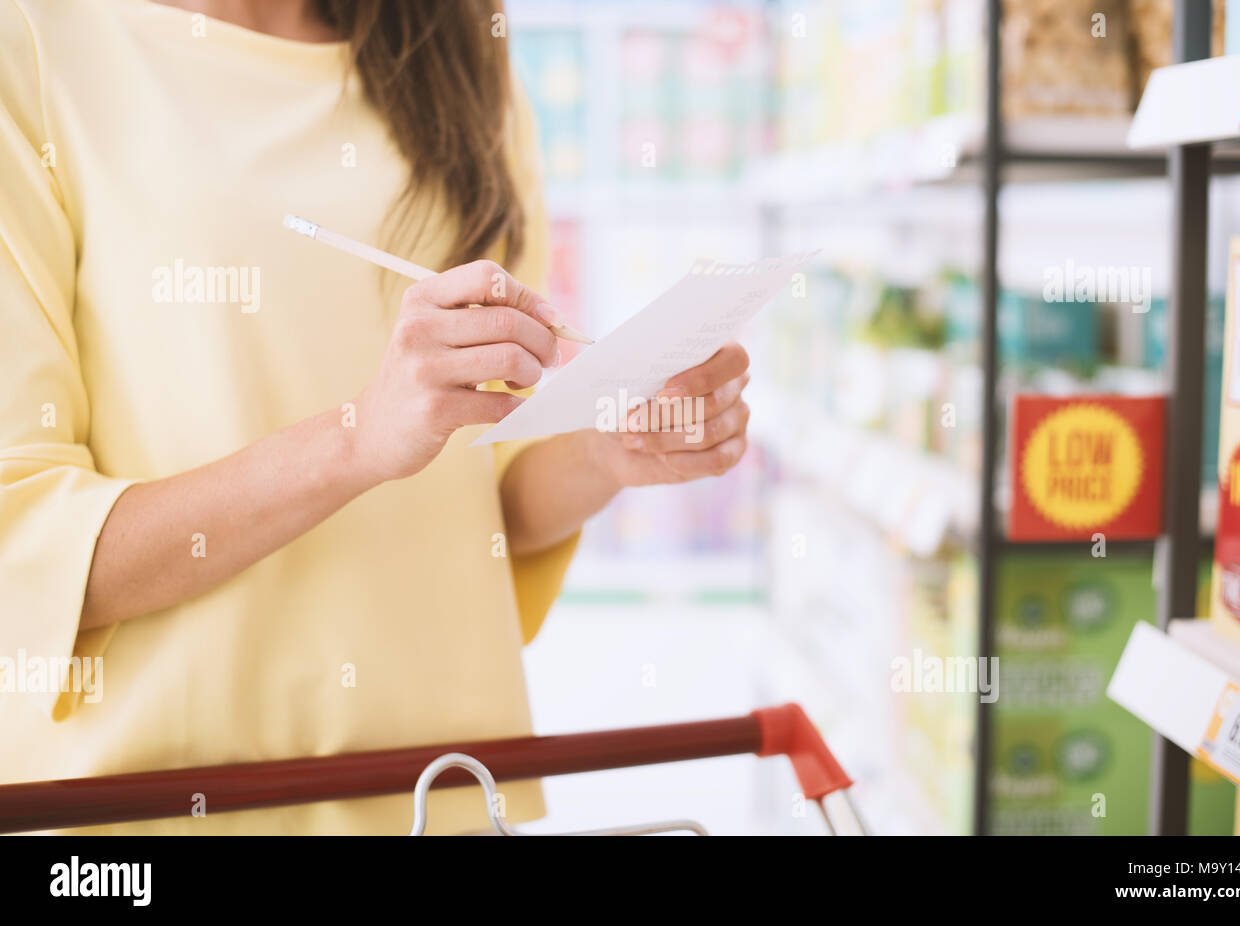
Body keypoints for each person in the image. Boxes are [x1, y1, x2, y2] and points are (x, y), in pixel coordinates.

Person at [0, 0, 752, 834]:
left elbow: (485, 503)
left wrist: (608, 451)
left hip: (442, 794)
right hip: (159, 816)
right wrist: (358, 439)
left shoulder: (462, 45)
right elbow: (23, 561)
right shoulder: (34, 45)